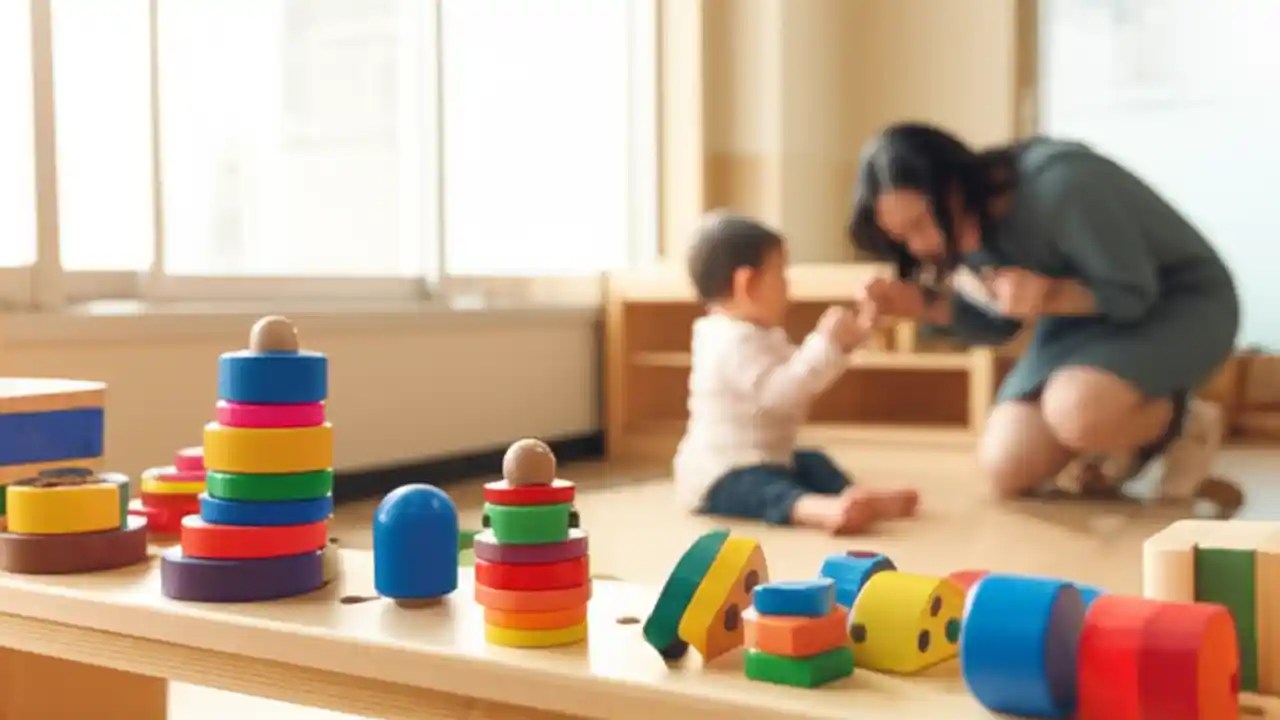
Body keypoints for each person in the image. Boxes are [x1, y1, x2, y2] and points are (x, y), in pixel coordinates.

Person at [846, 122, 1240, 503]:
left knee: (1077, 411)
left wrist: (1051, 294)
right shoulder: (966, 220)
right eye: (902, 237)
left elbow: (1132, 294)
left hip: (1179, 303)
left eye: (919, 224)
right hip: (1082, 326)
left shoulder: (1061, 185)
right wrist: (918, 305)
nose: (920, 247)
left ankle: (1185, 424)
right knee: (1004, 466)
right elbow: (998, 325)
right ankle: (1115, 436)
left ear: (951, 186)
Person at [672, 210, 920, 534]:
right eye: (781, 274)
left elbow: (804, 376)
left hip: (770, 455)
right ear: (747, 283)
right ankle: (818, 509)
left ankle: (851, 496)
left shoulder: (760, 334)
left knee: (812, 462)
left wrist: (854, 335)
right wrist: (824, 343)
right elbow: (783, 394)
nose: (789, 286)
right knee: (765, 489)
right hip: (721, 472)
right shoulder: (728, 341)